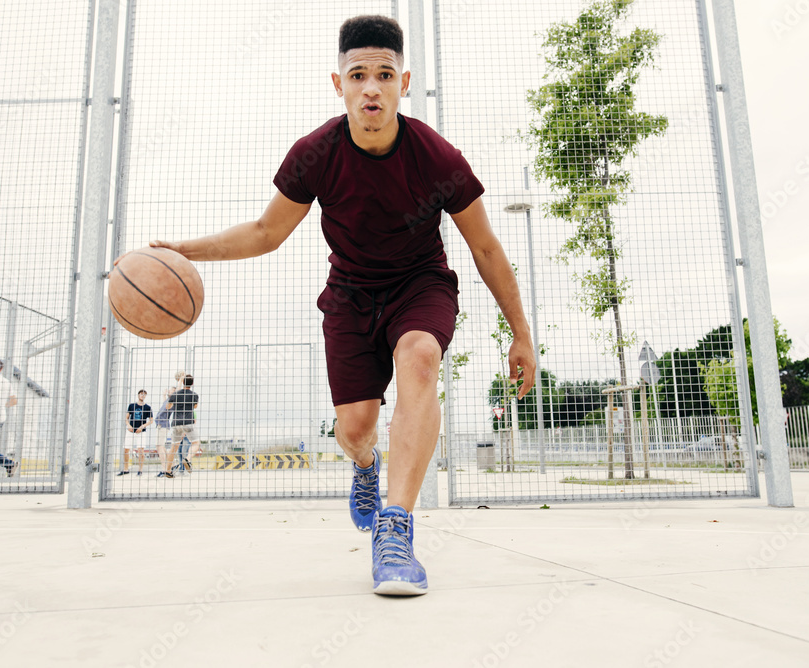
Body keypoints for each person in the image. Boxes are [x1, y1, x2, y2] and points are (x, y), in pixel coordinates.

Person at [140, 15, 535, 595]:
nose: (371, 87)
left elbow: (485, 245)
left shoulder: (436, 157)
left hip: (420, 285)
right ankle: (366, 468)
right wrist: (185, 249)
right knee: (356, 429)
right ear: (338, 83)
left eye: (383, 75)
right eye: (358, 75)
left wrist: (521, 333)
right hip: (349, 298)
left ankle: (395, 531)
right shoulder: (316, 154)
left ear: (404, 82)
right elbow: (264, 232)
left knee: (421, 356)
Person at [162, 374, 200, 478]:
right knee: (196, 443)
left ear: (182, 382)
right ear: (192, 384)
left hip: (176, 423)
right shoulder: (194, 395)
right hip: (188, 421)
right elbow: (195, 406)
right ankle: (187, 459)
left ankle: (168, 471)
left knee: (173, 447)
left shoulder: (175, 394)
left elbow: (168, 406)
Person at [120, 390, 153, 476]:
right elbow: (126, 417)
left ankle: (140, 470)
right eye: (141, 394)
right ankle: (125, 469)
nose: (142, 395)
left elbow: (151, 421)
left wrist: (142, 426)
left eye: (144, 394)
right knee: (126, 449)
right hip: (131, 430)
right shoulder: (132, 406)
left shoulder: (147, 407)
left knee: (141, 451)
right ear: (138, 395)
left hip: (141, 432)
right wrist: (128, 425)